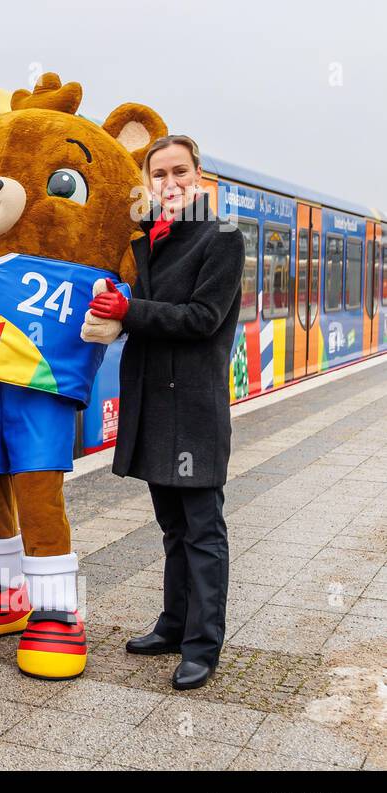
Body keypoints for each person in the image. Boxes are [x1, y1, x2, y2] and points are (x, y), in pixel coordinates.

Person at [83, 133, 243, 690]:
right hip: (154, 399)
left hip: (194, 405)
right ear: (148, 181)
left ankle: (203, 645)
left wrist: (130, 309)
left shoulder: (221, 237)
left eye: (180, 173)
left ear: (198, 176)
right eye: (159, 175)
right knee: (172, 526)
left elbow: (202, 318)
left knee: (202, 529)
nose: (170, 184)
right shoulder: (148, 238)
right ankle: (173, 625)